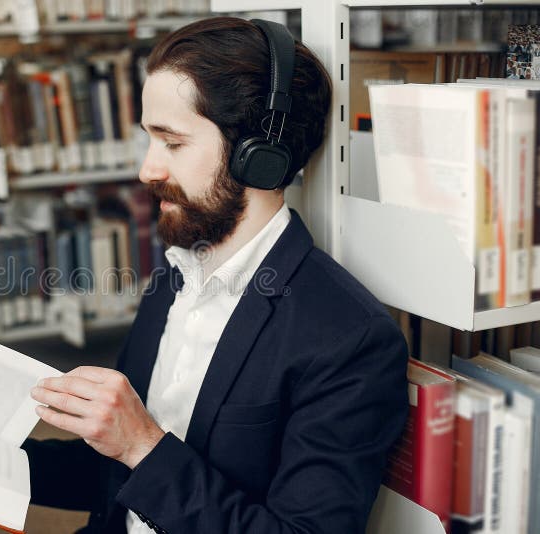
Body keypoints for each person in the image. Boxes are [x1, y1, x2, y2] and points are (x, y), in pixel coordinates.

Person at [25, 16, 408, 534]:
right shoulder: (174, 276)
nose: (147, 170)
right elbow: (117, 476)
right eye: (149, 139)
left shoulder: (347, 338)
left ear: (259, 157)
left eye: (172, 143)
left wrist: (142, 443)